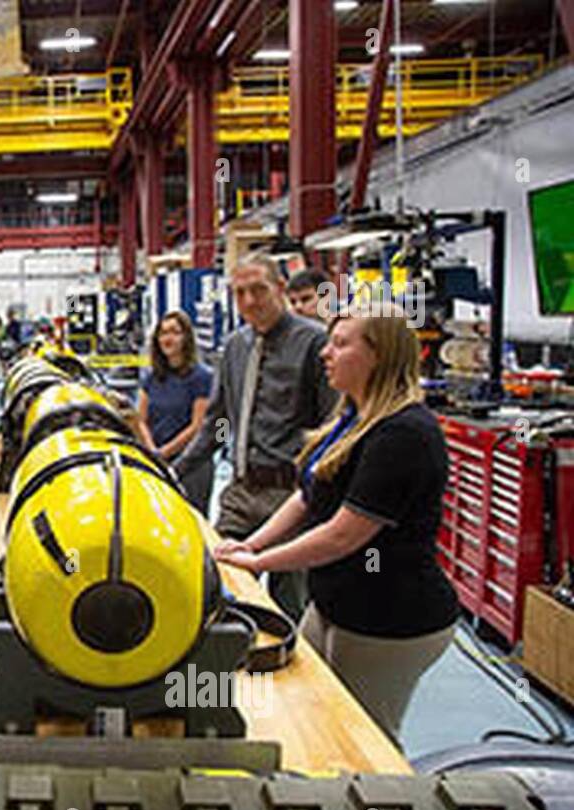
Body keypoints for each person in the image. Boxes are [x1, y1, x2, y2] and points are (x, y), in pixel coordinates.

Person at [217, 302, 458, 742]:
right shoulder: (351, 419)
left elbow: (344, 534)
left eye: (341, 344)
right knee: (313, 714)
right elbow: (306, 497)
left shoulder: (402, 434)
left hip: (390, 618)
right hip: (335, 602)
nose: (326, 353)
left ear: (379, 355)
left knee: (364, 741)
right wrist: (250, 547)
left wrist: (262, 563)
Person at [174, 252, 337, 620]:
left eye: (258, 290)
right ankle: (224, 672)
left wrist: (318, 497)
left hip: (291, 496)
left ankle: (283, 673)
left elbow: (331, 425)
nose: (249, 301)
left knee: (287, 605)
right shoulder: (235, 346)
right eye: (239, 292)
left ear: (280, 288)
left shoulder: (314, 343)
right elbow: (219, 422)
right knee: (216, 585)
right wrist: (175, 470)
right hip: (241, 490)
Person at [136, 309, 215, 514]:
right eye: (162, 333)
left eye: (174, 332)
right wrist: (152, 450)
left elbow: (197, 426)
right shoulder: (152, 377)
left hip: (191, 464)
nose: (167, 338)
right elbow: (141, 419)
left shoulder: (201, 377)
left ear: (186, 337)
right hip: (156, 460)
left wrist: (164, 452)